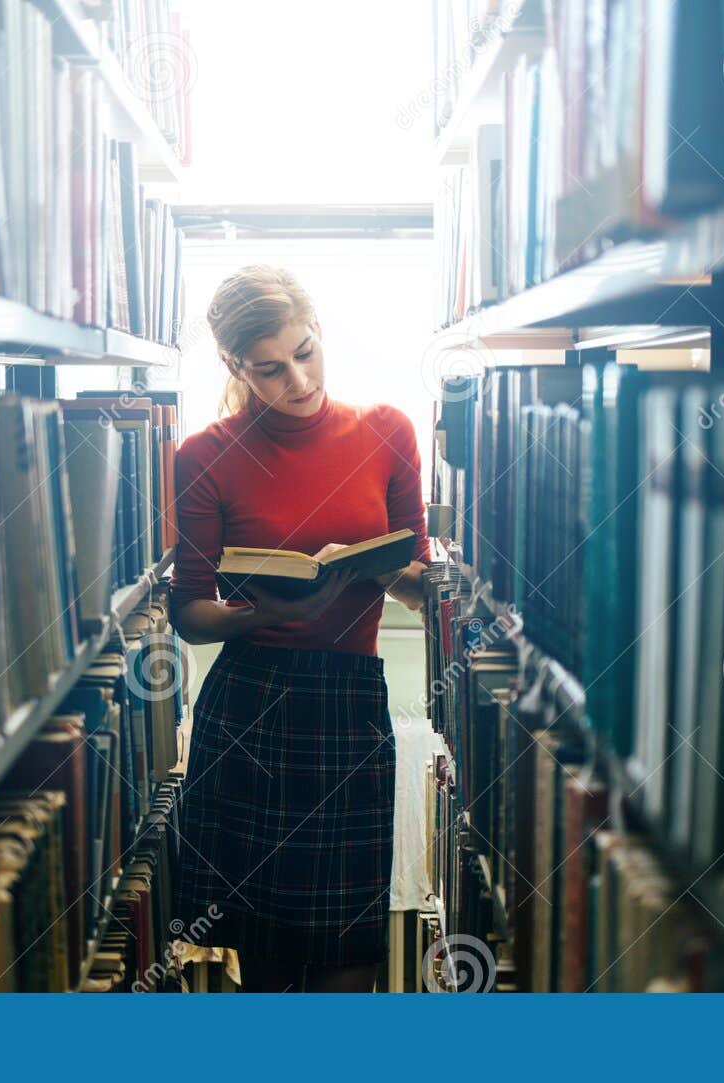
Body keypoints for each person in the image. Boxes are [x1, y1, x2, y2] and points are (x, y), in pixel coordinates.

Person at [169, 265, 429, 993]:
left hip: (348, 705)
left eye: (306, 352)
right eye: (271, 369)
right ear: (234, 367)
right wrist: (265, 614)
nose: (299, 378)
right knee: (268, 958)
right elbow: (189, 612)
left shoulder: (387, 429)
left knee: (352, 953)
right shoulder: (204, 455)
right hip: (253, 708)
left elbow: (419, 578)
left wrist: (378, 571)